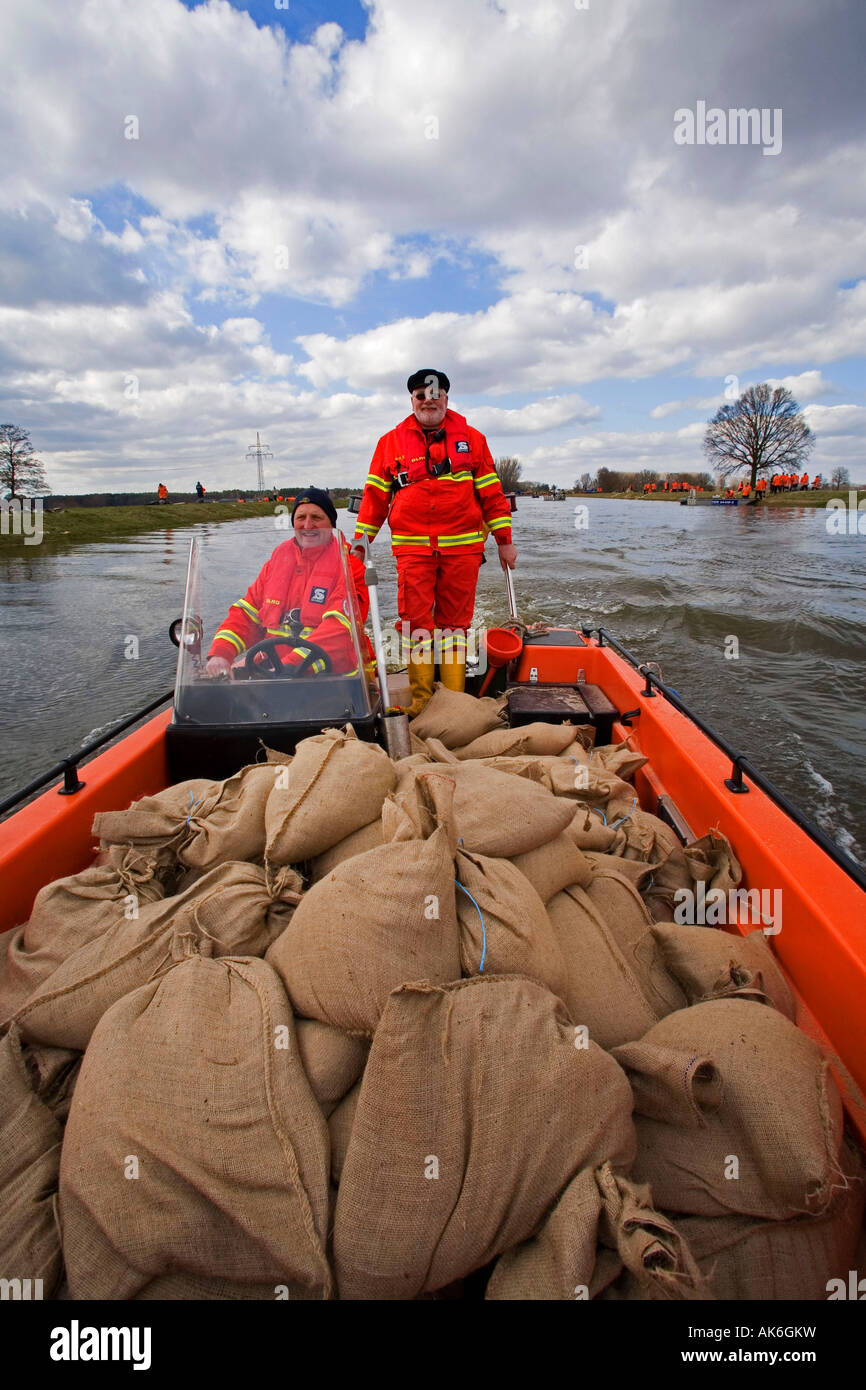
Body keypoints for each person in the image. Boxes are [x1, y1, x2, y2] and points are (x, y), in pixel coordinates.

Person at [353, 368, 516, 715]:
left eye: (436, 393)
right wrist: (360, 542)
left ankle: (454, 702)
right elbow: (374, 497)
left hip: (464, 548)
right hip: (413, 550)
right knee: (415, 622)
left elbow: (491, 493)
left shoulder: (473, 439)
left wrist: (504, 540)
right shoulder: (389, 442)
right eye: (421, 395)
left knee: (455, 625)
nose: (429, 400)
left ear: (446, 398)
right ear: (412, 400)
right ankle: (423, 700)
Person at [205, 487, 370, 679]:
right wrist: (221, 653)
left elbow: (340, 629)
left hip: (334, 681)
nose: (308, 525)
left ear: (331, 524)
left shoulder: (350, 566)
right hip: (276, 674)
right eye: (301, 518)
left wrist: (291, 666)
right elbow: (247, 614)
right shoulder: (277, 562)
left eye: (316, 517)